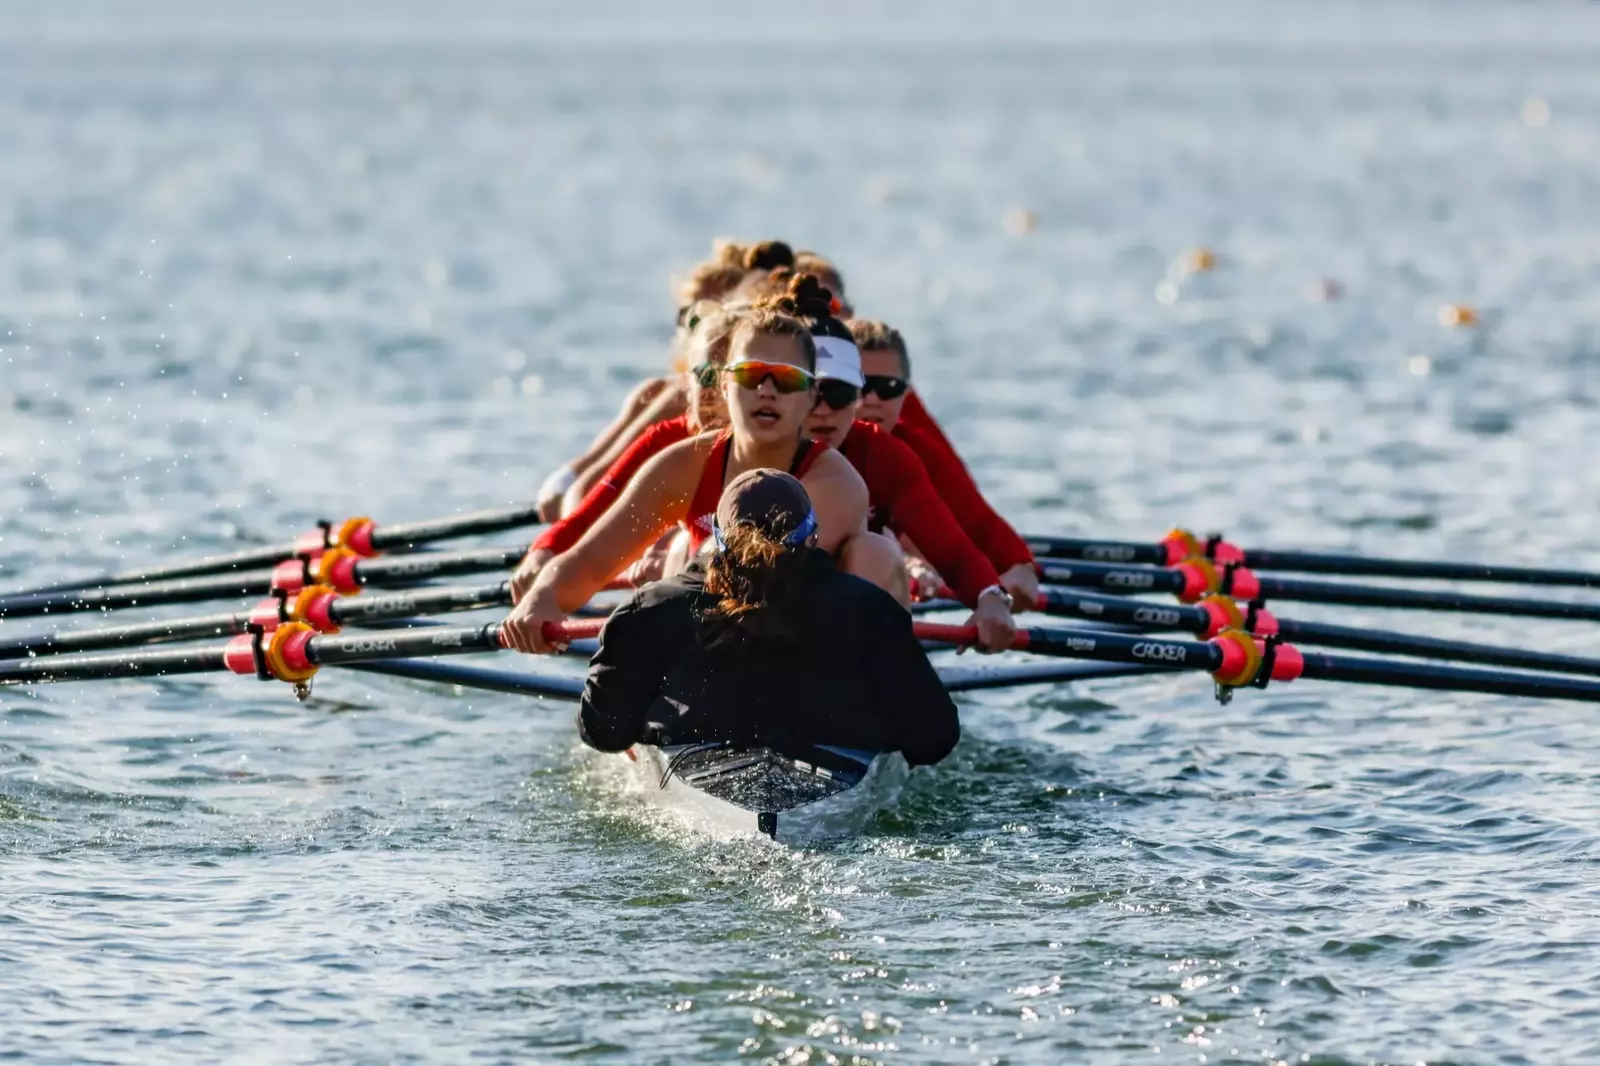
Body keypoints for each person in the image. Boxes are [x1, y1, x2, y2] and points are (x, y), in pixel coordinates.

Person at [501, 299, 873, 654]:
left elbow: (763, 581)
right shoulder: (684, 464)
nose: (767, 391)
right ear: (725, 388)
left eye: (786, 380)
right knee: (685, 553)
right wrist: (542, 599)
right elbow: (592, 560)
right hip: (708, 645)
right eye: (750, 375)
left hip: (805, 652)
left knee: (877, 555)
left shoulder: (836, 483)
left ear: (811, 396)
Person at [575, 469, 960, 767]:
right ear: (813, 537)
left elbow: (603, 731)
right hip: (833, 772)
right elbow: (934, 739)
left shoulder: (653, 607)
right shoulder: (869, 608)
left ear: (716, 540)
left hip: (697, 771)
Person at [847, 319, 1041, 609]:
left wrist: (1017, 566)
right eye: (860, 386)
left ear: (907, 392)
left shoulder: (909, 451)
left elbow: (972, 523)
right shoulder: (805, 439)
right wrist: (907, 562)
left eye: (888, 387)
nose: (873, 399)